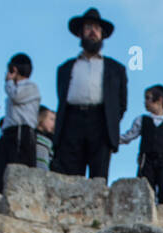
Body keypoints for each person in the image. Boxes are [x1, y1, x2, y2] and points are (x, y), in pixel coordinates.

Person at [52, 7, 127, 180]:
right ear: (80, 33)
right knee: (69, 177)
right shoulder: (65, 68)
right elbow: (61, 96)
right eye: (88, 27)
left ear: (102, 34)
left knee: (98, 178)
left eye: (96, 28)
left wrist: (109, 120)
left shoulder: (116, 69)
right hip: (72, 121)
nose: (92, 31)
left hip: (100, 123)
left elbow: (121, 103)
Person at [119, 84, 163, 207]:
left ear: (159, 100)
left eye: (148, 98)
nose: (145, 102)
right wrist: (113, 140)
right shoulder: (142, 120)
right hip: (146, 160)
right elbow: (129, 136)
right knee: (145, 191)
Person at [0, 54, 40, 194]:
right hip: (9, 132)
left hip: (22, 132)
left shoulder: (30, 86)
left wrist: (9, 82)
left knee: (18, 168)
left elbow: (16, 97)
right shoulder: (13, 87)